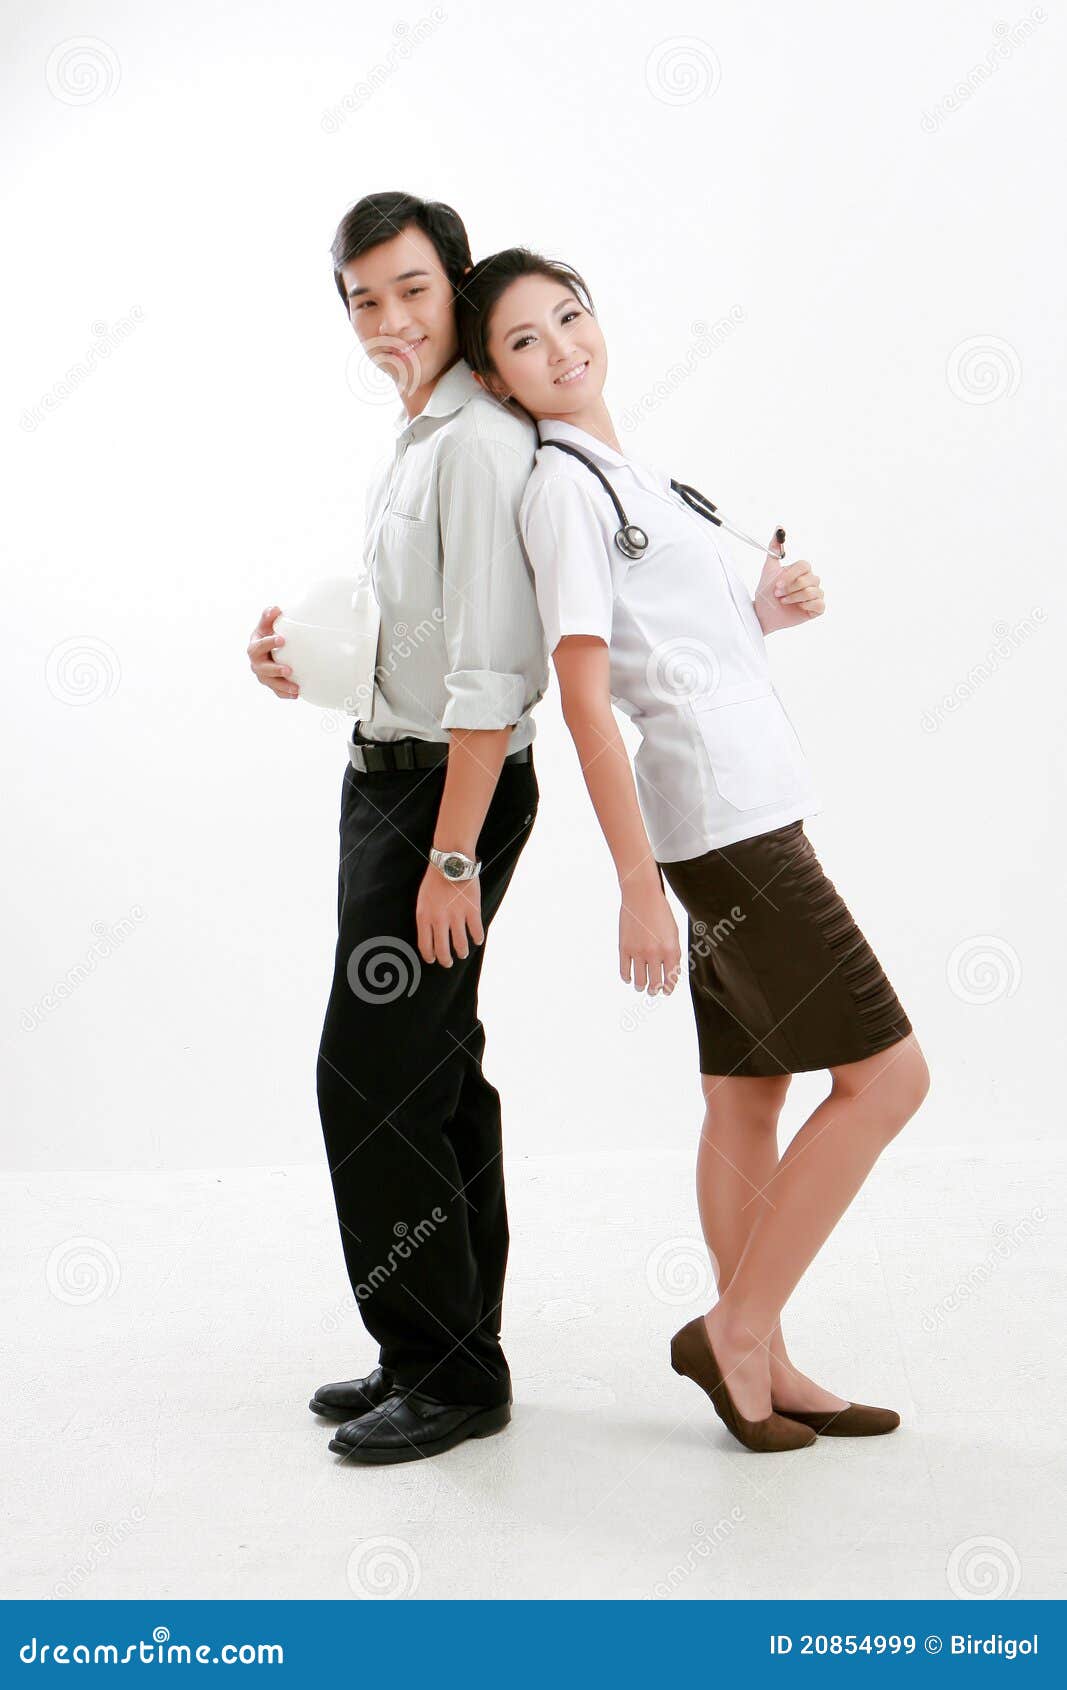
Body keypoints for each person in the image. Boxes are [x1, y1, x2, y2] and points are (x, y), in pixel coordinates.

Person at [456, 249, 931, 1454]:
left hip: (744, 805)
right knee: (889, 1079)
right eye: (524, 340)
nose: (561, 346)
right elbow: (583, 696)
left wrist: (769, 603)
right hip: (723, 827)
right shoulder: (561, 492)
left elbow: (681, 632)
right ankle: (733, 1324)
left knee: (747, 1091)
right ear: (497, 378)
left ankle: (760, 1361)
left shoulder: (638, 478)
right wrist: (633, 886)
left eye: (569, 316)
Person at [247, 196, 548, 1465]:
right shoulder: (424, 434)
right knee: (424, 1070)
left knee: (366, 1080)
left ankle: (446, 1369)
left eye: (412, 291)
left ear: (457, 283)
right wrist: (313, 662)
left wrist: (451, 853)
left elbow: (488, 671)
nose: (389, 321)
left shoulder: (477, 444)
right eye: (363, 298)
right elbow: (419, 635)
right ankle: (444, 1340)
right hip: (394, 781)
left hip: (443, 800)